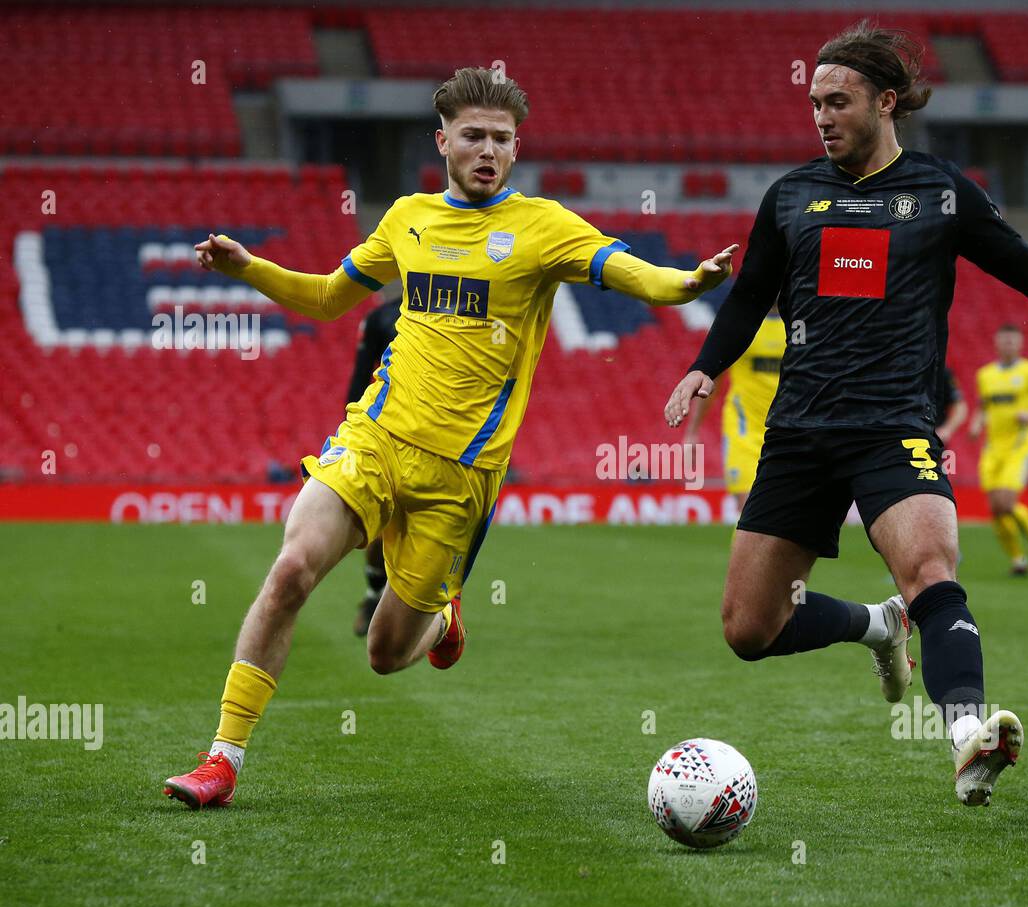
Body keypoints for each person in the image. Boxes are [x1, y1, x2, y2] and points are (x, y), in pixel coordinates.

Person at [662, 22, 1028, 806]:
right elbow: (749, 295)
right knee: (747, 629)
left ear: (886, 101)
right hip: (797, 432)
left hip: (893, 423)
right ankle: (875, 626)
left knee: (931, 568)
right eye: (814, 103)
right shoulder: (790, 197)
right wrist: (702, 368)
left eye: (839, 101)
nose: (822, 117)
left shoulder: (940, 192)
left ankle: (967, 736)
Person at [163, 67, 737, 809]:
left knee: (384, 653)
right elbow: (331, 296)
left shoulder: (543, 228)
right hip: (375, 436)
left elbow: (631, 273)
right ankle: (222, 760)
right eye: (473, 136)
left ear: (516, 148)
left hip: (459, 478)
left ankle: (440, 621)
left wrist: (689, 282)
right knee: (292, 571)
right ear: (443, 142)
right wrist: (251, 269)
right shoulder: (407, 218)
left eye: (502, 138)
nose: (488, 149)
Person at [969, 323, 1028, 576]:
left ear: (1020, 344)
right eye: (1003, 340)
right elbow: (982, 407)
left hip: (1019, 446)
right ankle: (1018, 561)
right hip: (992, 448)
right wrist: (976, 424)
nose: (1008, 345)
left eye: (1012, 340)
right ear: (996, 344)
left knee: (1006, 502)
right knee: (995, 508)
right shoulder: (985, 375)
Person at [683, 303, 786, 512]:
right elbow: (711, 380)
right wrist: (692, 432)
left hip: (788, 431)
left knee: (783, 513)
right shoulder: (741, 323)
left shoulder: (801, 322)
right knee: (751, 509)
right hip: (744, 431)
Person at [347, 297, 401, 636]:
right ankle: (373, 595)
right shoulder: (381, 319)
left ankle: (441, 611)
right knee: (383, 530)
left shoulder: (454, 309)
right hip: (384, 433)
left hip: (441, 437)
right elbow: (357, 385)